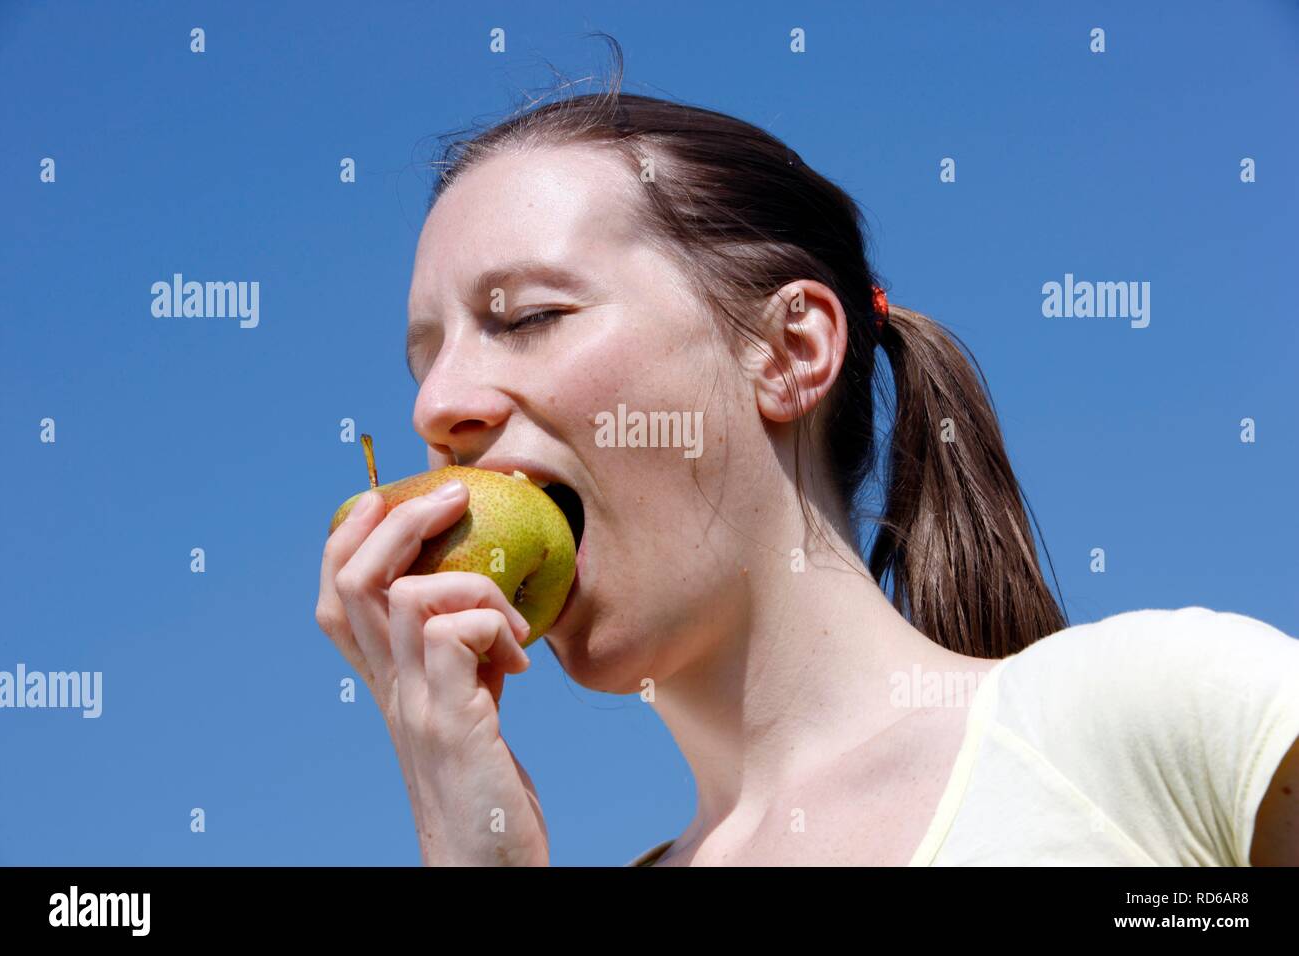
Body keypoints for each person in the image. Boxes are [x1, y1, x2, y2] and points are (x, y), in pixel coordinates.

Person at [314, 41, 1299, 867]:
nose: (435, 404)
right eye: (424, 357)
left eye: (527, 316)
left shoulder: (1160, 721)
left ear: (788, 353)